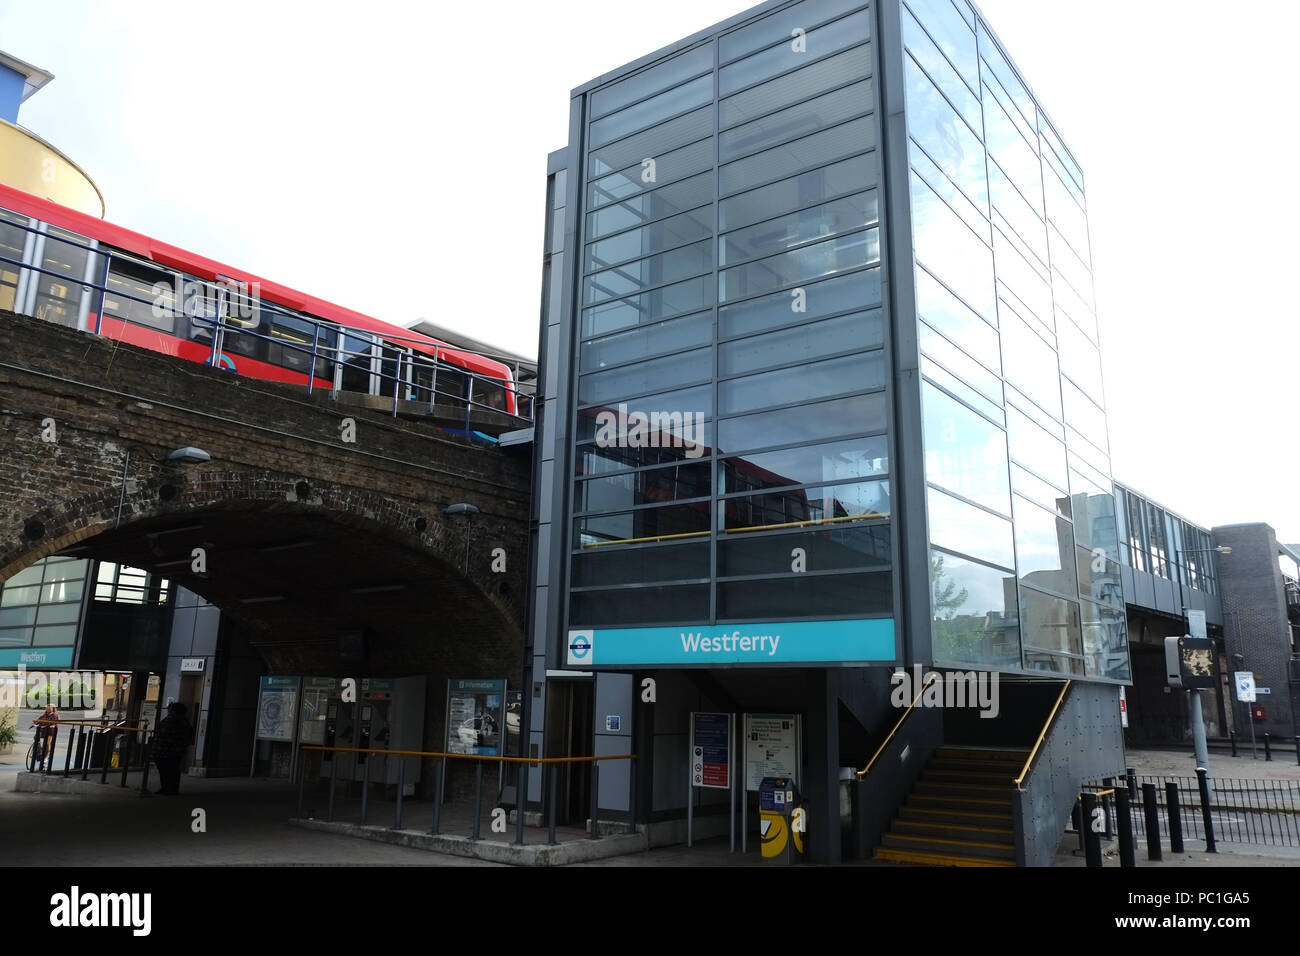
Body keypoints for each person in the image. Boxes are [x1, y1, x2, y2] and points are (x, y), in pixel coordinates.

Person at [151, 702, 192, 795]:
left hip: (166, 750)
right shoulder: (184, 722)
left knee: (166, 770)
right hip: (174, 750)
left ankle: (167, 788)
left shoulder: (171, 721)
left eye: (171, 710)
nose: (169, 711)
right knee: (172, 770)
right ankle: (170, 788)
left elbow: (164, 734)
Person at [29, 704, 59, 769]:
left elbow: (54, 722)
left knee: (47, 744)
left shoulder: (55, 715)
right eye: (46, 708)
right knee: (36, 737)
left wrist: (52, 725)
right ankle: (38, 750)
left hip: (50, 730)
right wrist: (34, 723)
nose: (47, 709)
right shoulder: (44, 715)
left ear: (53, 709)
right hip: (43, 729)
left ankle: (45, 757)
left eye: (49, 708)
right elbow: (39, 720)